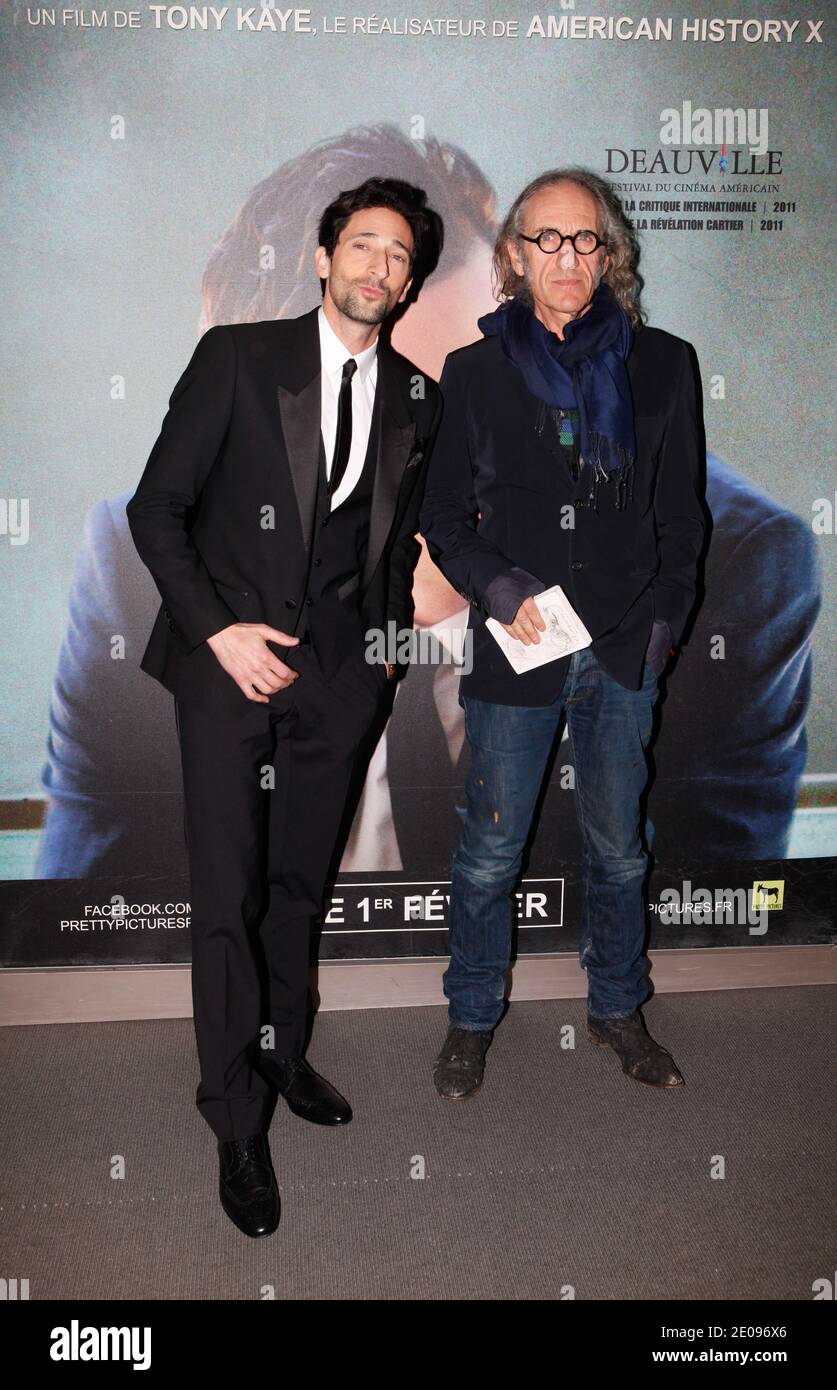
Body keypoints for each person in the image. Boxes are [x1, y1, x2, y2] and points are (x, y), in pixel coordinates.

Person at [126, 176, 443, 1236]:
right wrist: (219, 632)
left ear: (409, 281)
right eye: (363, 246)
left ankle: (284, 1053)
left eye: (399, 256)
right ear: (322, 257)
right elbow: (157, 509)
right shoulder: (240, 360)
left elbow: (395, 552)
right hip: (228, 675)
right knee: (228, 898)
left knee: (299, 888)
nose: (378, 269)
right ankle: (235, 1122)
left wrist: (386, 663)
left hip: (341, 687)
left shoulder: (416, 396)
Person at [420, 167, 706, 1099]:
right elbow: (446, 520)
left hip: (624, 648)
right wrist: (501, 592)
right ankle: (470, 1020)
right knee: (490, 850)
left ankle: (617, 1009)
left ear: (609, 253)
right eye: (547, 239)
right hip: (517, 646)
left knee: (619, 848)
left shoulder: (664, 364)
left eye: (586, 241)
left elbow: (681, 520)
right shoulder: (473, 372)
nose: (568, 258)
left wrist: (660, 627)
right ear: (513, 254)